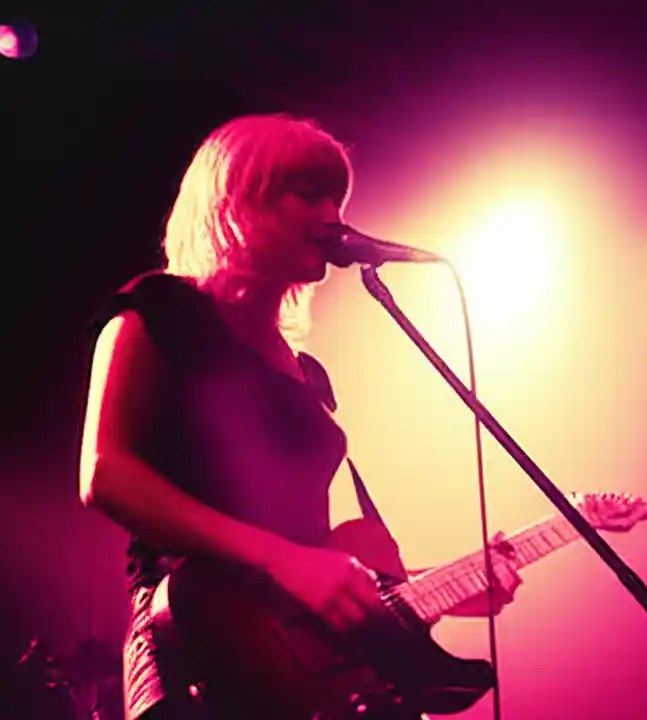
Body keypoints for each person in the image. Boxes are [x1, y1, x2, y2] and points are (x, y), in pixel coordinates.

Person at [77, 113, 522, 719]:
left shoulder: (305, 371)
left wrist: (433, 588)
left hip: (304, 663)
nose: (332, 215)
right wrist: (283, 561)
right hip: (197, 639)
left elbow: (315, 559)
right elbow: (105, 475)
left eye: (336, 197)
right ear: (238, 202)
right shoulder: (160, 310)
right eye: (308, 193)